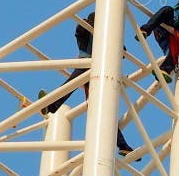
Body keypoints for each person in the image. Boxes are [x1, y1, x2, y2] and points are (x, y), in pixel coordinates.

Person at [38, 12, 139, 159]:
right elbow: (80, 31)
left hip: (97, 70)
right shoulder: (86, 29)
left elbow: (122, 52)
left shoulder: (106, 34)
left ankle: (123, 146)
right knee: (78, 90)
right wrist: (97, 27)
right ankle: (51, 104)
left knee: (101, 108)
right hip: (90, 65)